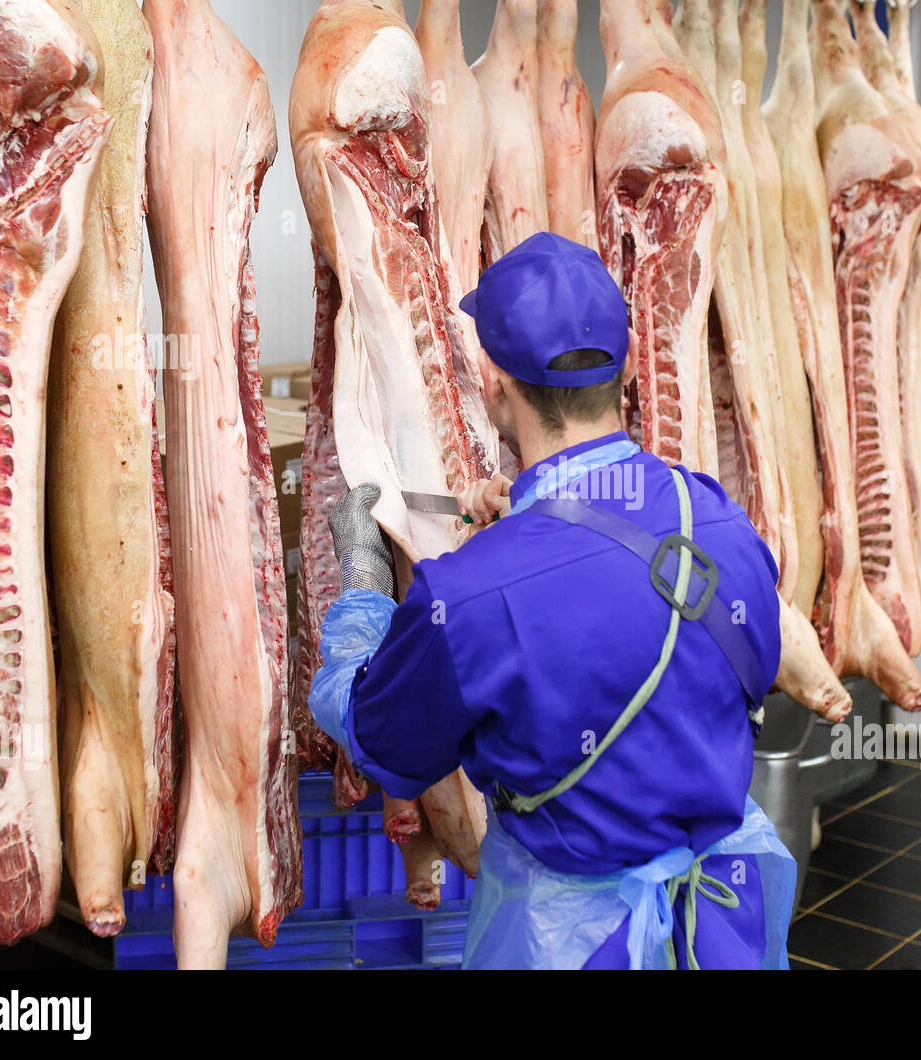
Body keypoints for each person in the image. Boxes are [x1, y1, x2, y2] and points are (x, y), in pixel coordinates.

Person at [308, 232, 796, 969]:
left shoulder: (467, 594)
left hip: (573, 943)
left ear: (494, 383)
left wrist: (364, 575)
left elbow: (380, 737)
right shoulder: (721, 524)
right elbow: (750, 675)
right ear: (627, 366)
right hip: (722, 931)